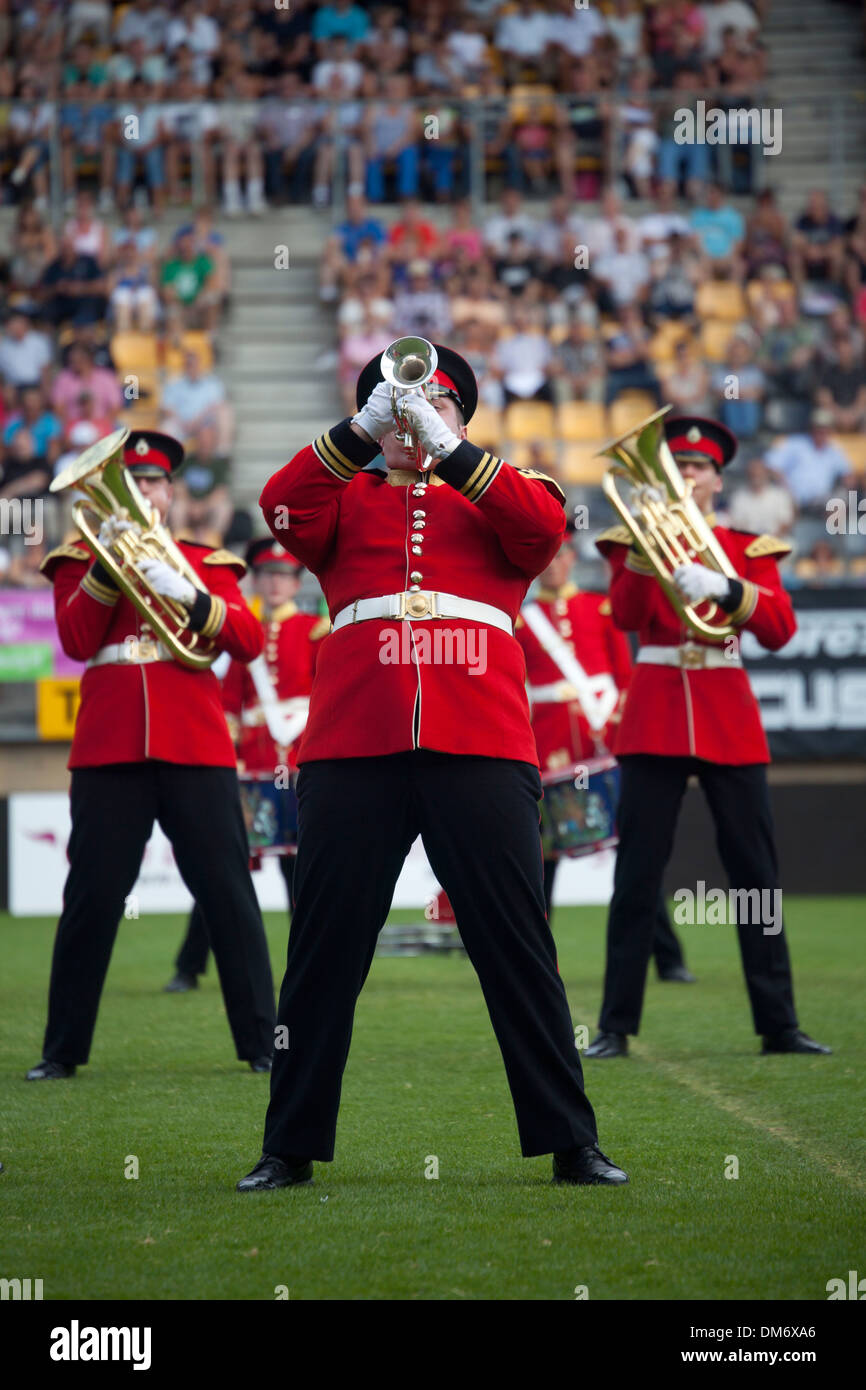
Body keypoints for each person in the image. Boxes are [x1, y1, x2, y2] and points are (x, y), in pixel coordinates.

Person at [236, 345, 627, 1190]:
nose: (414, 415)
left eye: (433, 402)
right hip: (352, 748)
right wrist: (360, 429)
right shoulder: (342, 500)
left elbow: (543, 530)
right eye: (398, 404)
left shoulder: (505, 493)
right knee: (323, 953)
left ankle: (571, 1139)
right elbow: (279, 508)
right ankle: (289, 1144)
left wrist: (449, 452)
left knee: (517, 948)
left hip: (480, 746)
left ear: (461, 416)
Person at [26, 430, 276, 1081]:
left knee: (228, 894)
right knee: (92, 898)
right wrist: (111, 566)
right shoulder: (78, 558)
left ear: (171, 493)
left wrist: (189, 591)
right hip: (110, 749)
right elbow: (79, 640)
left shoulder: (205, 560)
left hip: (194, 744)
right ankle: (61, 1050)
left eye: (154, 483)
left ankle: (261, 1043)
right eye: (131, 483)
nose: (144, 493)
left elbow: (248, 640)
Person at [586, 415, 831, 1059]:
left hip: (727, 713)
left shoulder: (750, 548)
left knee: (755, 876)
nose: (688, 477)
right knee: (637, 875)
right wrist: (646, 542)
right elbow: (628, 615)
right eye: (678, 467)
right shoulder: (628, 541)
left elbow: (779, 628)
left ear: (718, 481)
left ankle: (779, 1024)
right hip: (657, 709)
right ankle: (615, 1026)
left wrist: (726, 587)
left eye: (698, 469)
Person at [517, 526, 693, 981]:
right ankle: (537, 962)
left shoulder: (601, 608)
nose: (554, 567)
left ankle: (667, 958)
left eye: (560, 558)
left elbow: (625, 677)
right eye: (547, 560)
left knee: (632, 855)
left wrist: (613, 727)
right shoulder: (521, 619)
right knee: (542, 861)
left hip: (603, 745)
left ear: (572, 560)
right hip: (549, 751)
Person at [165, 539, 327, 991]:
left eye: (283, 575)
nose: (274, 582)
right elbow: (229, 706)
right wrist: (231, 759)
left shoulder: (318, 631)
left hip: (299, 766)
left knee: (302, 874)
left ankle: (309, 965)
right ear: (256, 580)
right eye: (267, 574)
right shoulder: (245, 634)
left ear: (296, 582)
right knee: (226, 869)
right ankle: (189, 965)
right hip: (253, 770)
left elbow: (328, 695)